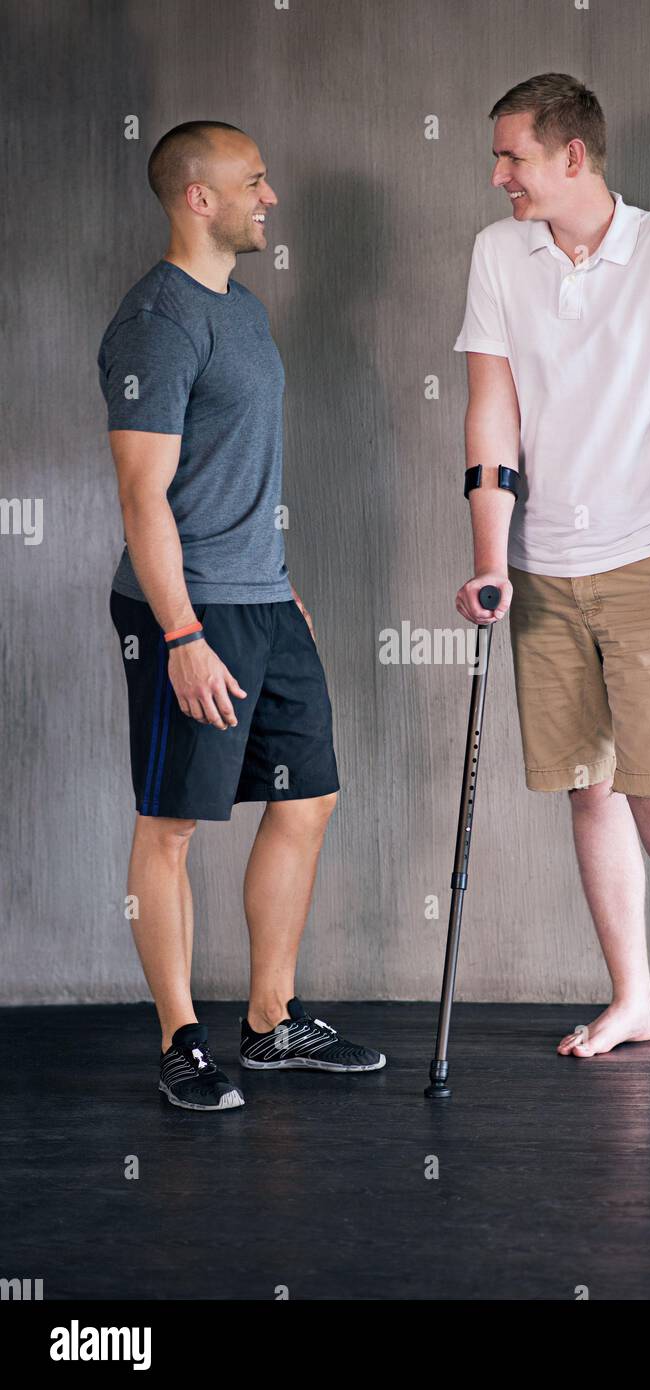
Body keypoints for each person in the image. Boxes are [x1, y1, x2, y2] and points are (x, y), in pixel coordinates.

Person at [453, 74, 650, 1058]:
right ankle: (633, 998)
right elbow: (492, 411)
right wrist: (491, 560)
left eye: (513, 158)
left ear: (572, 155)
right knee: (589, 787)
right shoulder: (498, 254)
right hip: (546, 569)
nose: (499, 176)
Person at [99, 121, 384, 1111]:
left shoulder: (245, 312)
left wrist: (280, 579)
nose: (270, 198)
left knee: (307, 799)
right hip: (187, 609)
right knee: (172, 824)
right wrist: (181, 633)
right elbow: (142, 495)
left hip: (263, 596)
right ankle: (181, 1040)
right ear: (199, 198)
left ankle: (270, 1022)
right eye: (254, 182)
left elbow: (240, 473)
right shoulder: (157, 323)